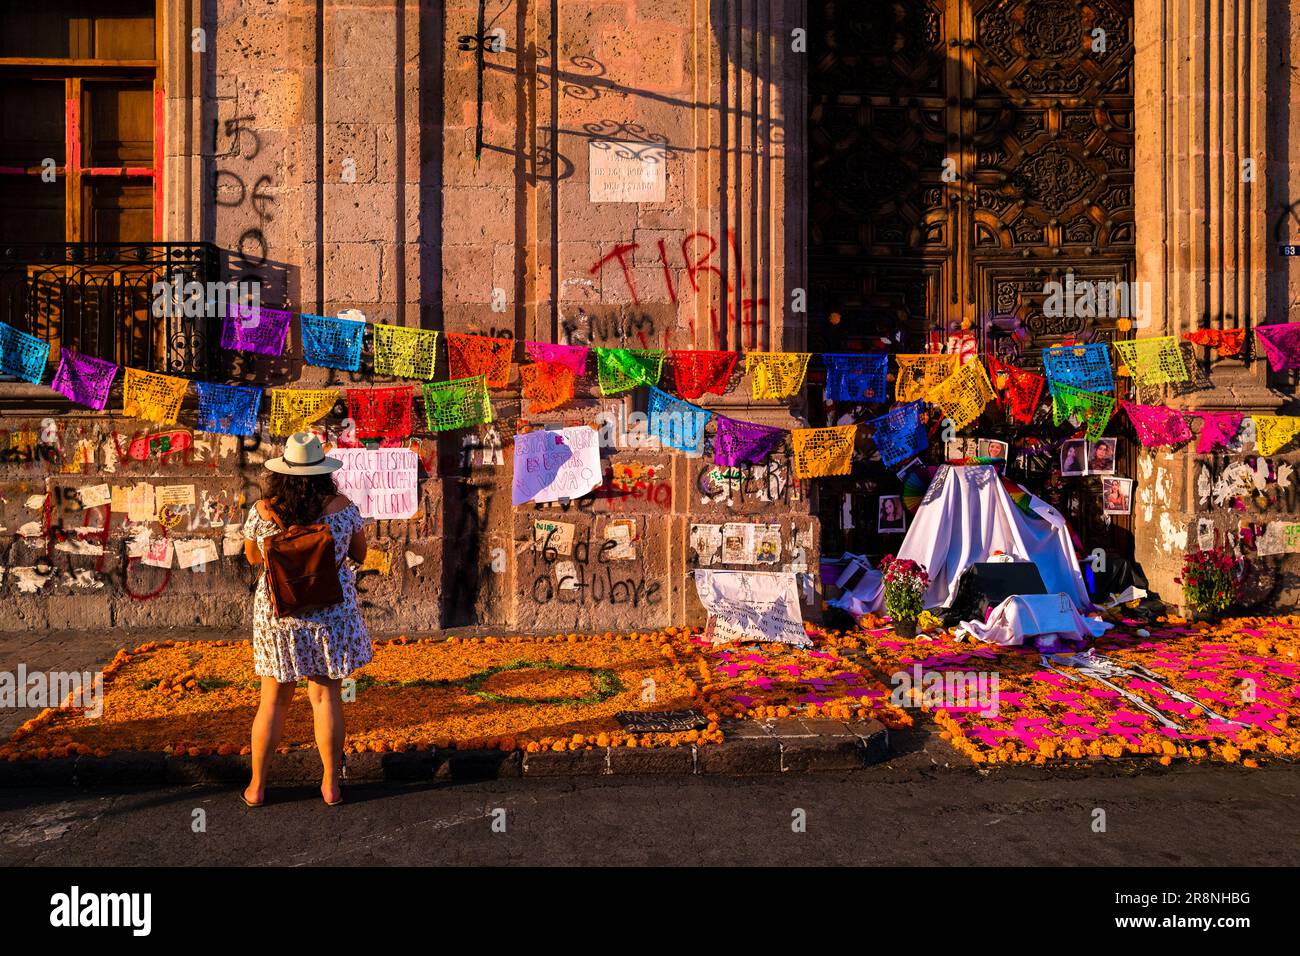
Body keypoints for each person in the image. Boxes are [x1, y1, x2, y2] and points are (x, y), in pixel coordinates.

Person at [240, 433, 371, 807]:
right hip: (329, 612)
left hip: (280, 613)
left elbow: (252, 558)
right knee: (325, 695)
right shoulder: (342, 507)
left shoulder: (263, 510)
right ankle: (330, 784)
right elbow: (360, 554)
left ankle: (257, 786)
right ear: (322, 472)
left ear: (282, 473)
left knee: (273, 702)